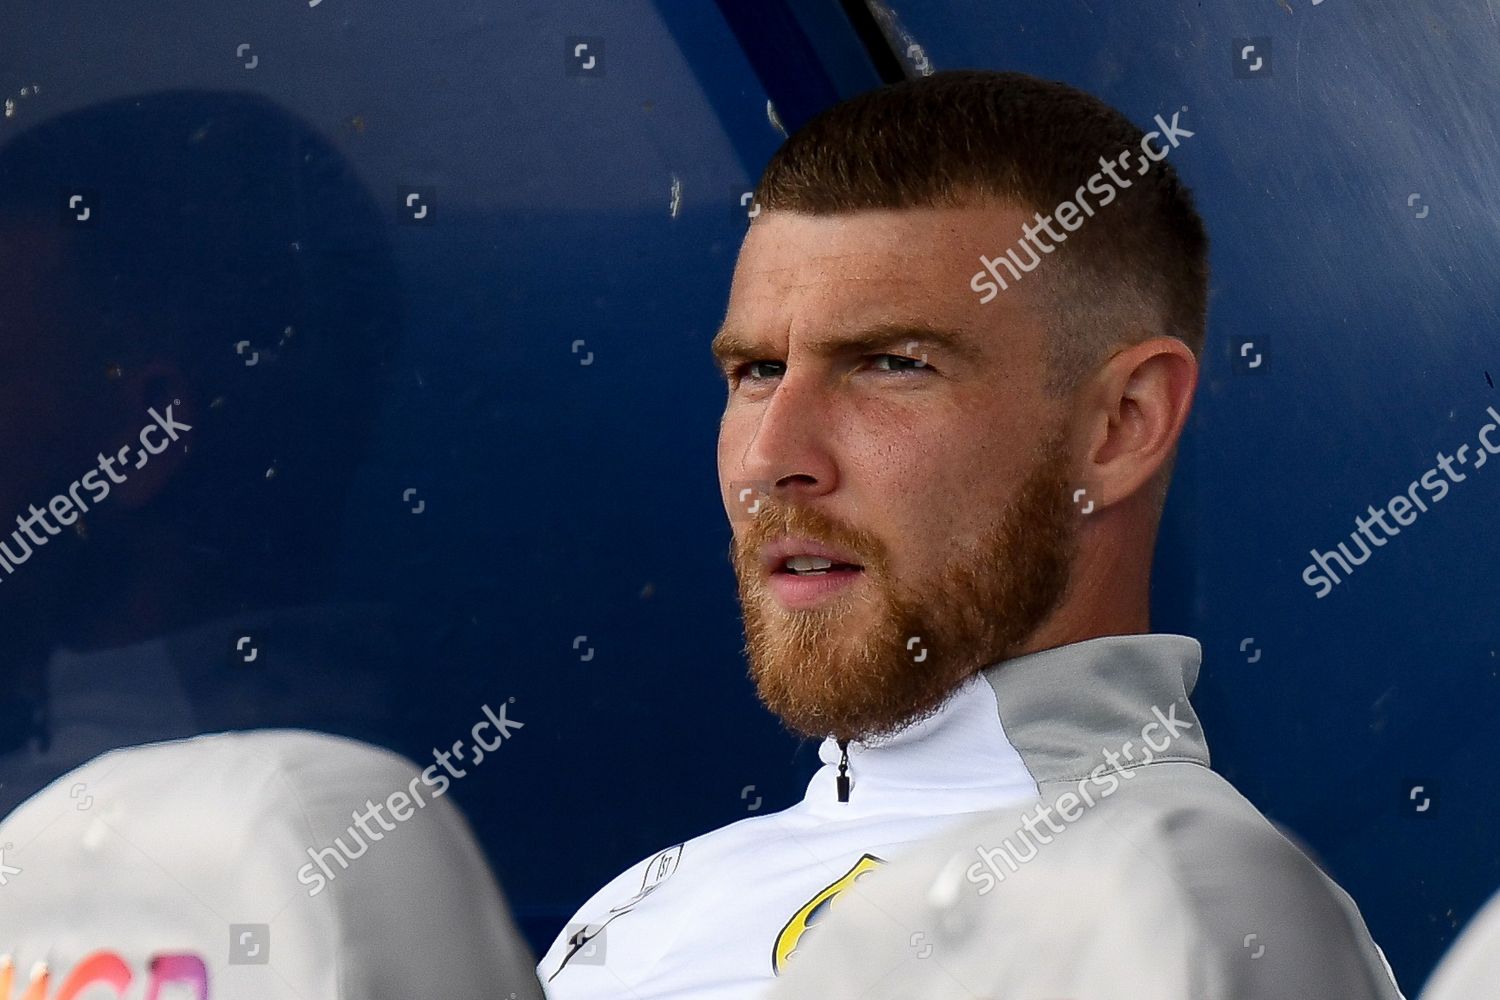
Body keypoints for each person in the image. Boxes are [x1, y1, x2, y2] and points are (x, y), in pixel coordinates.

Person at [537, 69, 1402, 997]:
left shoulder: (1182, 909)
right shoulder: (638, 908)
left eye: (891, 364)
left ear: (1123, 424)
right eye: (757, 370)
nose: (770, 458)